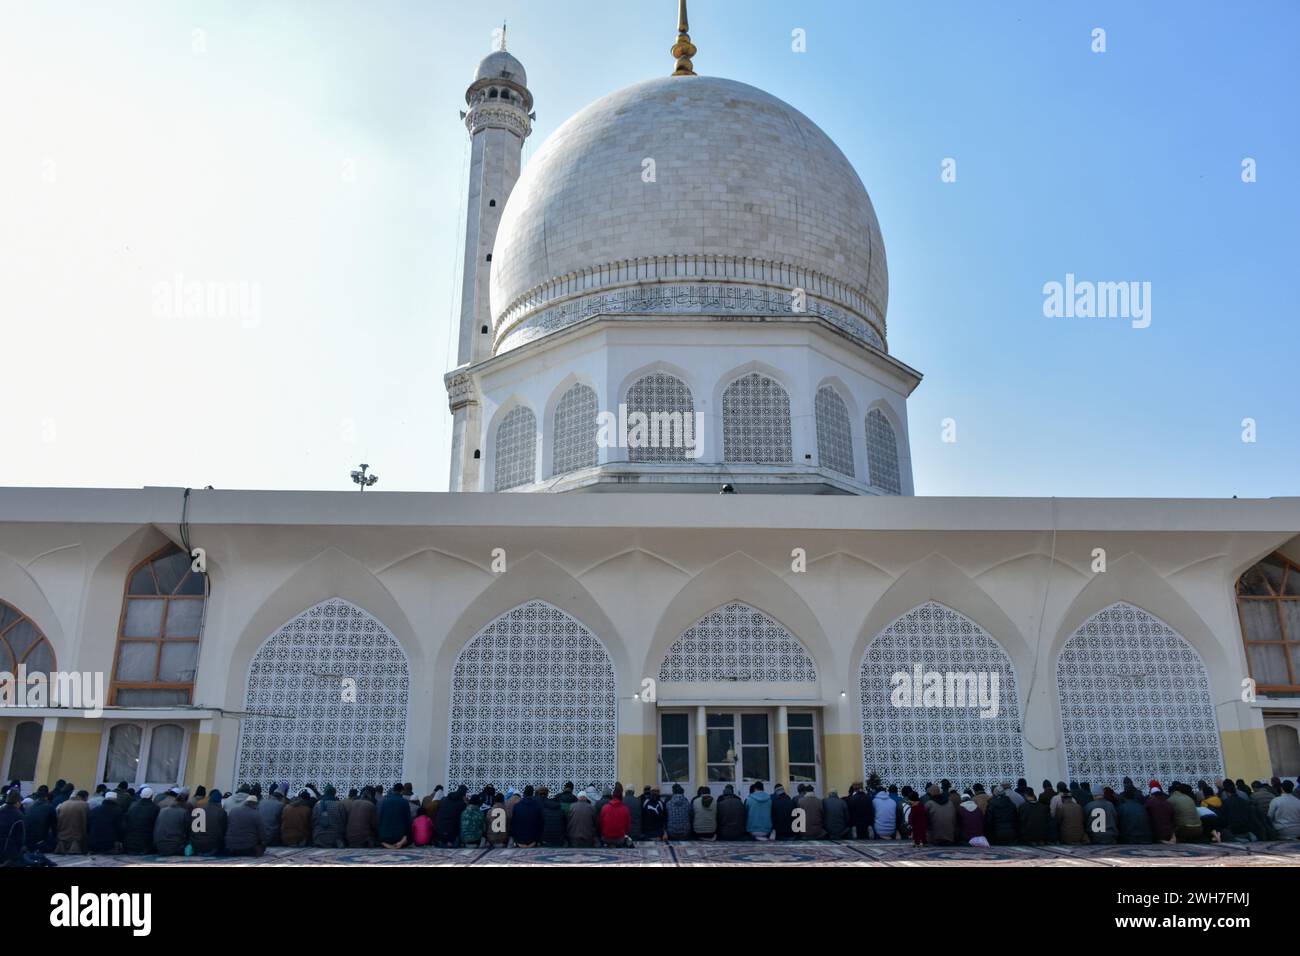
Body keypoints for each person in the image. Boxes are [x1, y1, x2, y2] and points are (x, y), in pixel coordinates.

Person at [122, 787, 158, 854]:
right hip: (145, 845)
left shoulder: (132, 807)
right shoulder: (155, 808)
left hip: (129, 844)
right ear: (151, 796)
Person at [190, 789, 228, 855]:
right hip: (212, 847)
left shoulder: (199, 810)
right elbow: (222, 832)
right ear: (220, 800)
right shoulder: (221, 812)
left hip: (196, 846)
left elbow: (192, 829)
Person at [152, 791, 189, 855]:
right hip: (175, 847)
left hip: (159, 846)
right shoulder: (183, 812)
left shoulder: (162, 811)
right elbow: (187, 830)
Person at [23, 787, 58, 853]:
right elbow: (54, 827)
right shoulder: (50, 807)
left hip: (26, 840)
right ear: (46, 798)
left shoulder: (30, 807)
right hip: (39, 840)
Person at [55, 789, 90, 854]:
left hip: (62, 838)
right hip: (76, 839)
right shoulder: (84, 805)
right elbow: (85, 822)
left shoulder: (63, 803)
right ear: (85, 797)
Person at [378, 782, 411, 849]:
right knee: (409, 837)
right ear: (402, 791)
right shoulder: (404, 802)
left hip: (385, 836)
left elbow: (379, 818)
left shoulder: (383, 801)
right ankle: (400, 843)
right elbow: (408, 820)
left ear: (393, 790)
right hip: (399, 836)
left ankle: (385, 844)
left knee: (380, 839)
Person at [0, 791, 25, 865]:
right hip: (8, 852)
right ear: (17, 802)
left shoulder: (1, 810)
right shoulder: (19, 815)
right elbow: (21, 839)